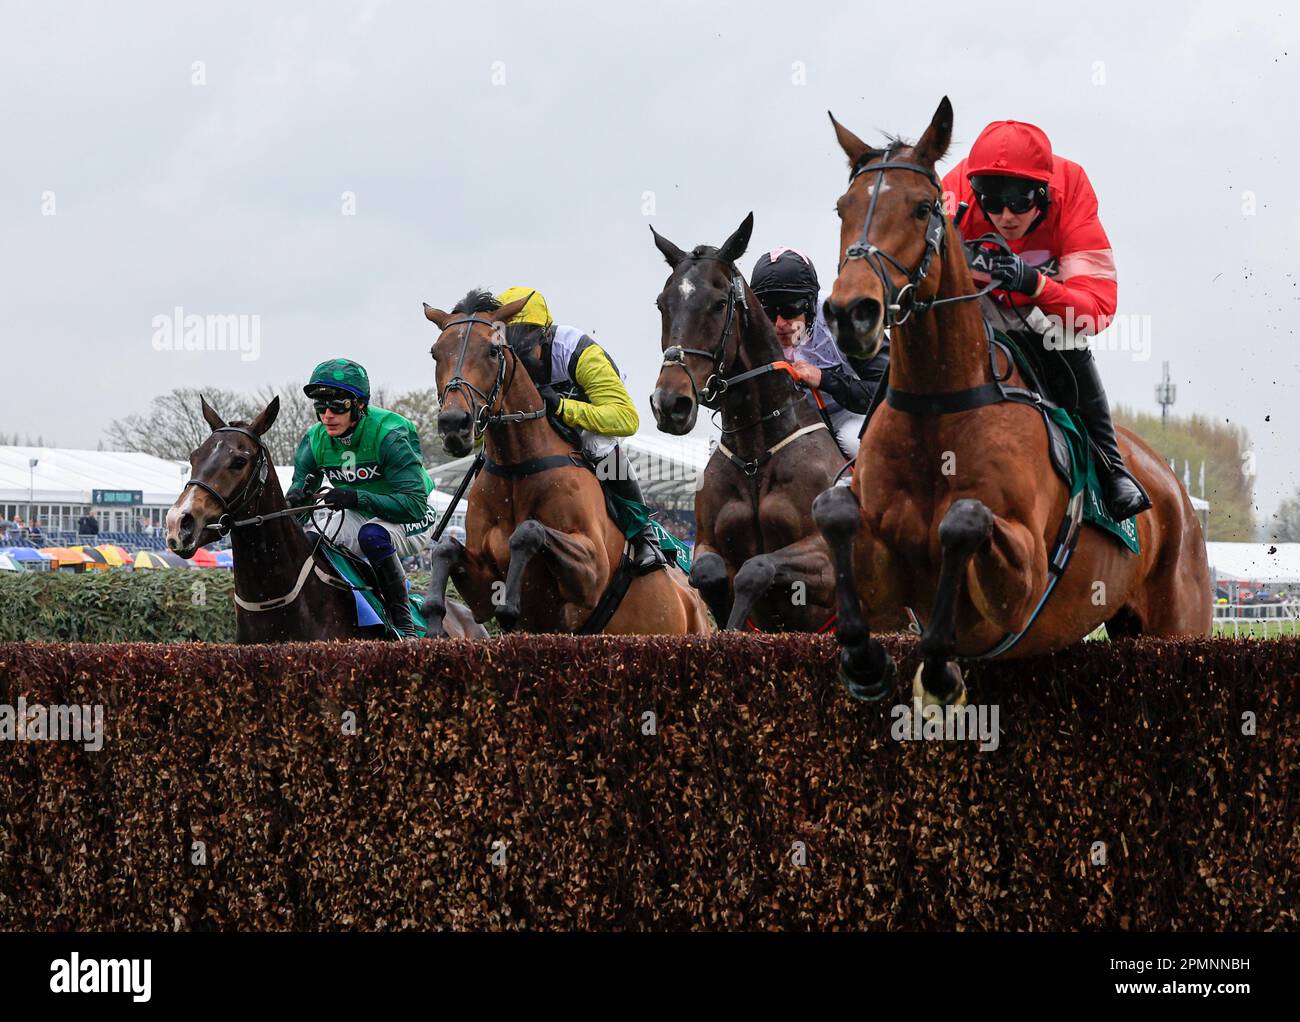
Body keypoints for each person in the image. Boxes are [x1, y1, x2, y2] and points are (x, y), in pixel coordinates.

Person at [942, 120, 1150, 521]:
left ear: (1043, 192)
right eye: (992, 202)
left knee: (1067, 333)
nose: (1005, 216)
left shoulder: (1071, 187)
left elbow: (1096, 310)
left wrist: (1036, 285)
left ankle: (1111, 467)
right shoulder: (954, 189)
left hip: (1043, 309)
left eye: (1019, 203)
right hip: (973, 303)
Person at [494, 286, 665, 573]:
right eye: (514, 353)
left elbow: (626, 419)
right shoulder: (498, 357)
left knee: (597, 444)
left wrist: (562, 406)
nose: (522, 364)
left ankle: (644, 535)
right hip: (537, 423)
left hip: (589, 410)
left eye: (526, 351)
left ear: (545, 334)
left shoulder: (579, 352)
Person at [285, 358, 438, 639]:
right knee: (312, 541)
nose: (327, 415)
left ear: (359, 406)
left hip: (411, 513)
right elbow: (299, 511)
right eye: (320, 407)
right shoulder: (314, 439)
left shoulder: (389, 434)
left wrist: (357, 497)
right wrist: (294, 505)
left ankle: (404, 625)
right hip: (364, 512)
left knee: (372, 535)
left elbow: (413, 505)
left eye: (337, 406)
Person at [750, 248, 888, 460]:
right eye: (767, 311)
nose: (779, 324)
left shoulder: (848, 320)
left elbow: (886, 390)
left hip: (845, 414)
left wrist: (825, 379)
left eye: (790, 309)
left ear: (811, 305)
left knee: (854, 443)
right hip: (785, 417)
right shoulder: (749, 327)